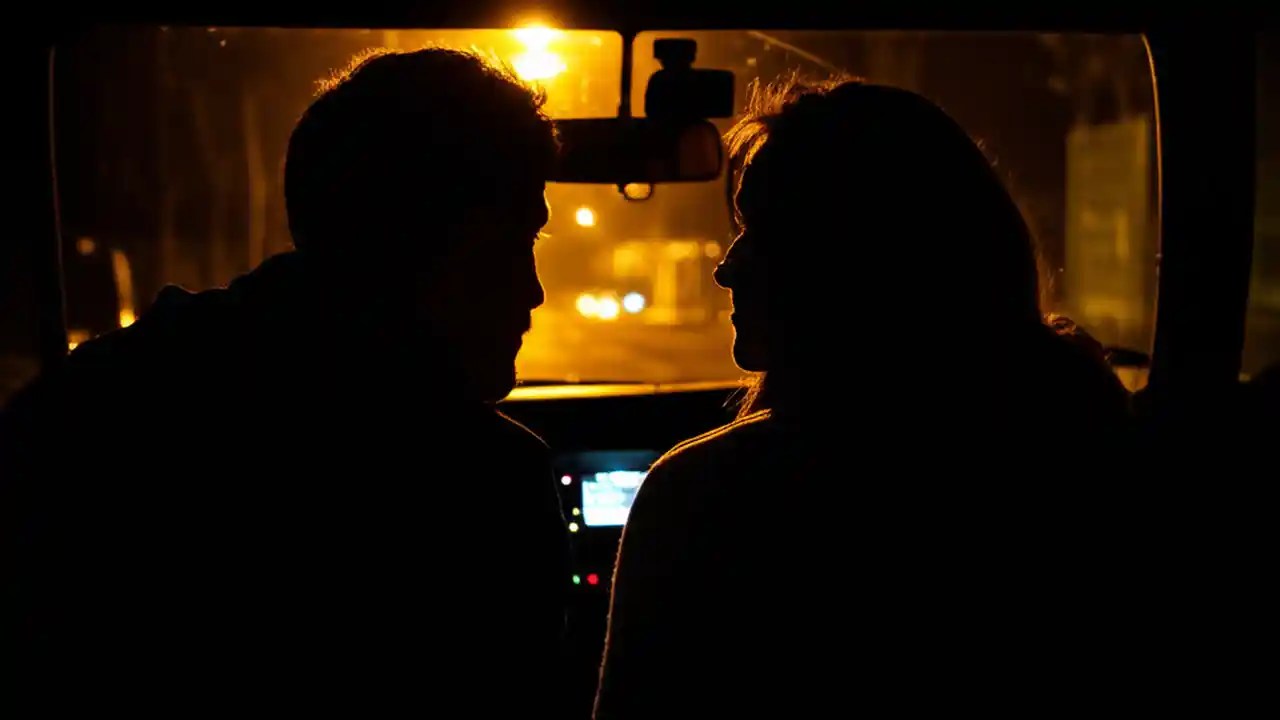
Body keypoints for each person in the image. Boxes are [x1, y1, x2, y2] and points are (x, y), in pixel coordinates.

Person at [2, 48, 569, 715]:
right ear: (403, 251)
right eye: (506, 248)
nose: (532, 290)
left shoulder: (85, 408)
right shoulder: (485, 481)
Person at [594, 77, 1145, 718]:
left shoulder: (705, 494)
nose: (727, 266)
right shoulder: (1085, 438)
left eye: (767, 232)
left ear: (860, 260)